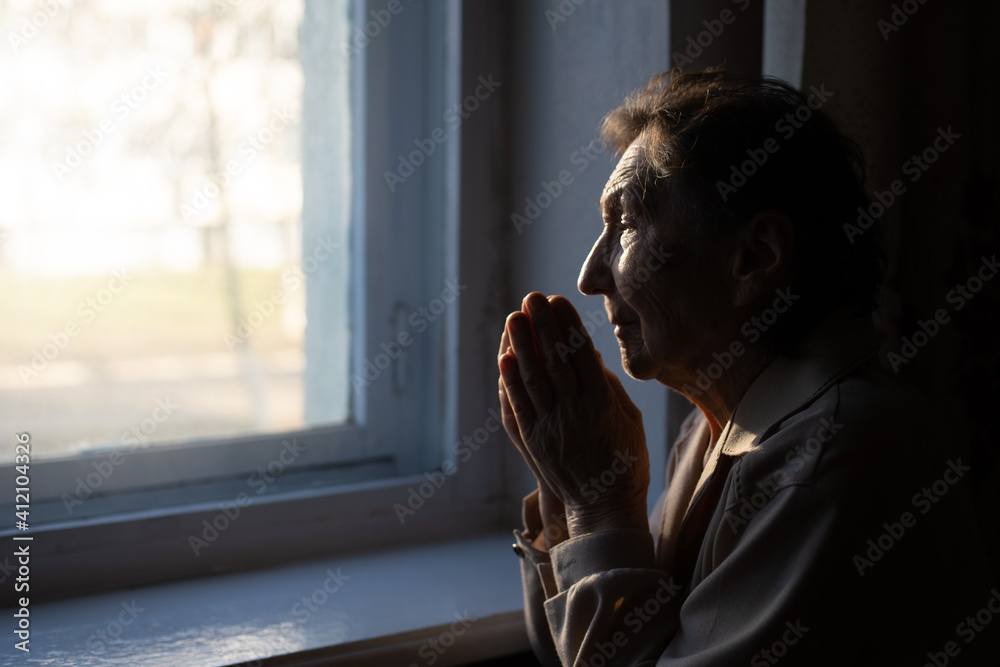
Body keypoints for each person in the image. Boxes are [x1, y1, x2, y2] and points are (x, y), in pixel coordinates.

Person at [496, 68, 997, 666]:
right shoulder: (719, 431)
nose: (589, 276)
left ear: (754, 258)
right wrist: (565, 480)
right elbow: (576, 655)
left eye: (626, 225)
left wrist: (596, 505)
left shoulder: (831, 459)